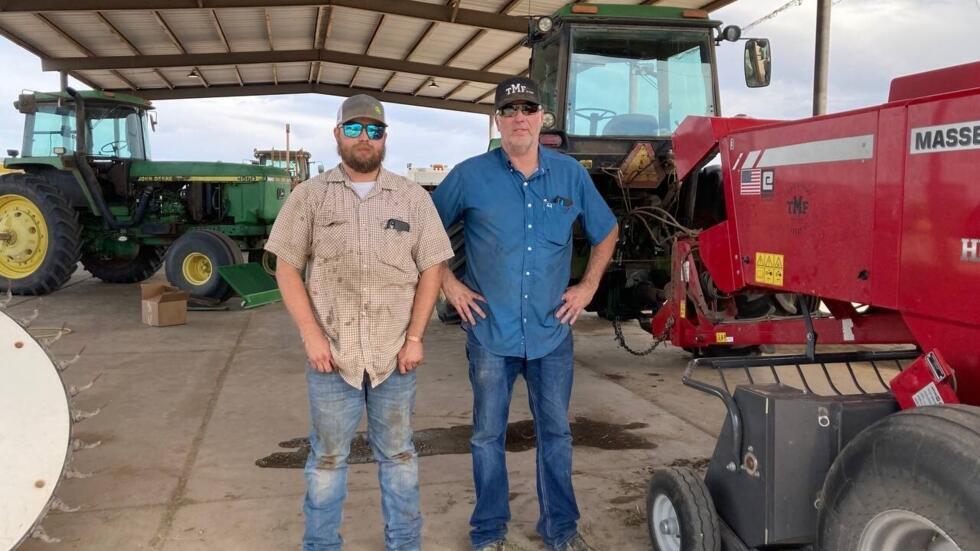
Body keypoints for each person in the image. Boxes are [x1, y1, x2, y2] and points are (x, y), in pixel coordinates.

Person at [432, 77, 619, 551]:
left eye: (528, 108)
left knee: (556, 434)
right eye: (509, 109)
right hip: (490, 334)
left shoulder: (570, 175)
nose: (519, 117)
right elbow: (423, 231)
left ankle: (560, 530)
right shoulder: (470, 175)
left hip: (551, 332)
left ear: (541, 118)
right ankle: (489, 531)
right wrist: (449, 285)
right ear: (497, 120)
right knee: (486, 436)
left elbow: (606, 230)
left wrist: (588, 286)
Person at [265, 94, 454, 551]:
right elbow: (286, 266)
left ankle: (405, 544)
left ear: (385, 138)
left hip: (395, 358)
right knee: (328, 461)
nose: (364, 138)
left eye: (373, 130)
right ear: (337, 135)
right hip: (333, 358)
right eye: (354, 129)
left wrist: (415, 338)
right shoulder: (309, 196)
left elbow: (433, 267)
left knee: (400, 456)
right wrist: (312, 336)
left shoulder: (412, 198)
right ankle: (322, 545)